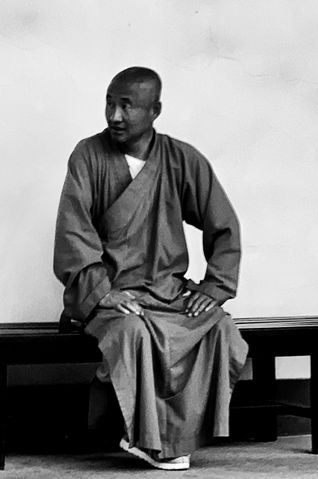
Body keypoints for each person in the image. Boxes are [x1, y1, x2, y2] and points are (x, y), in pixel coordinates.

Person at [53, 67, 248, 471]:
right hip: (111, 295)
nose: (115, 116)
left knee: (219, 328)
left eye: (127, 105)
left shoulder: (181, 159)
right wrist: (101, 291)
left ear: (155, 110)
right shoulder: (89, 155)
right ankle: (144, 438)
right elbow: (74, 230)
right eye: (110, 102)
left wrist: (215, 286)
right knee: (132, 332)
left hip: (166, 291)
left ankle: (178, 437)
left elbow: (223, 223)